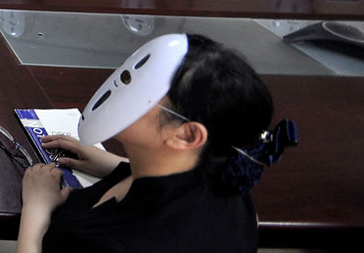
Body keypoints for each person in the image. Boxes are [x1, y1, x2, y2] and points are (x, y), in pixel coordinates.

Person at [18, 34, 296, 253]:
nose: (124, 86)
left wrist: (36, 210)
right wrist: (114, 164)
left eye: (146, 92)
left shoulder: (123, 242)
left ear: (186, 136)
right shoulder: (225, 172)